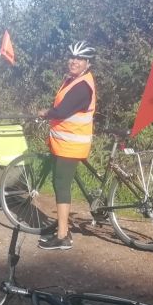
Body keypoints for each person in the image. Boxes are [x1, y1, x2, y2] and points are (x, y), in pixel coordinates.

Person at [35, 41, 97, 250]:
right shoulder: (72, 80)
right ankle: (62, 229)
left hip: (71, 146)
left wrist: (46, 113)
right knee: (60, 183)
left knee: (62, 185)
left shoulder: (82, 86)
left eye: (79, 58)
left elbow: (62, 111)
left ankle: (63, 236)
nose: (74, 61)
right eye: (72, 57)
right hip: (63, 143)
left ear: (87, 63)